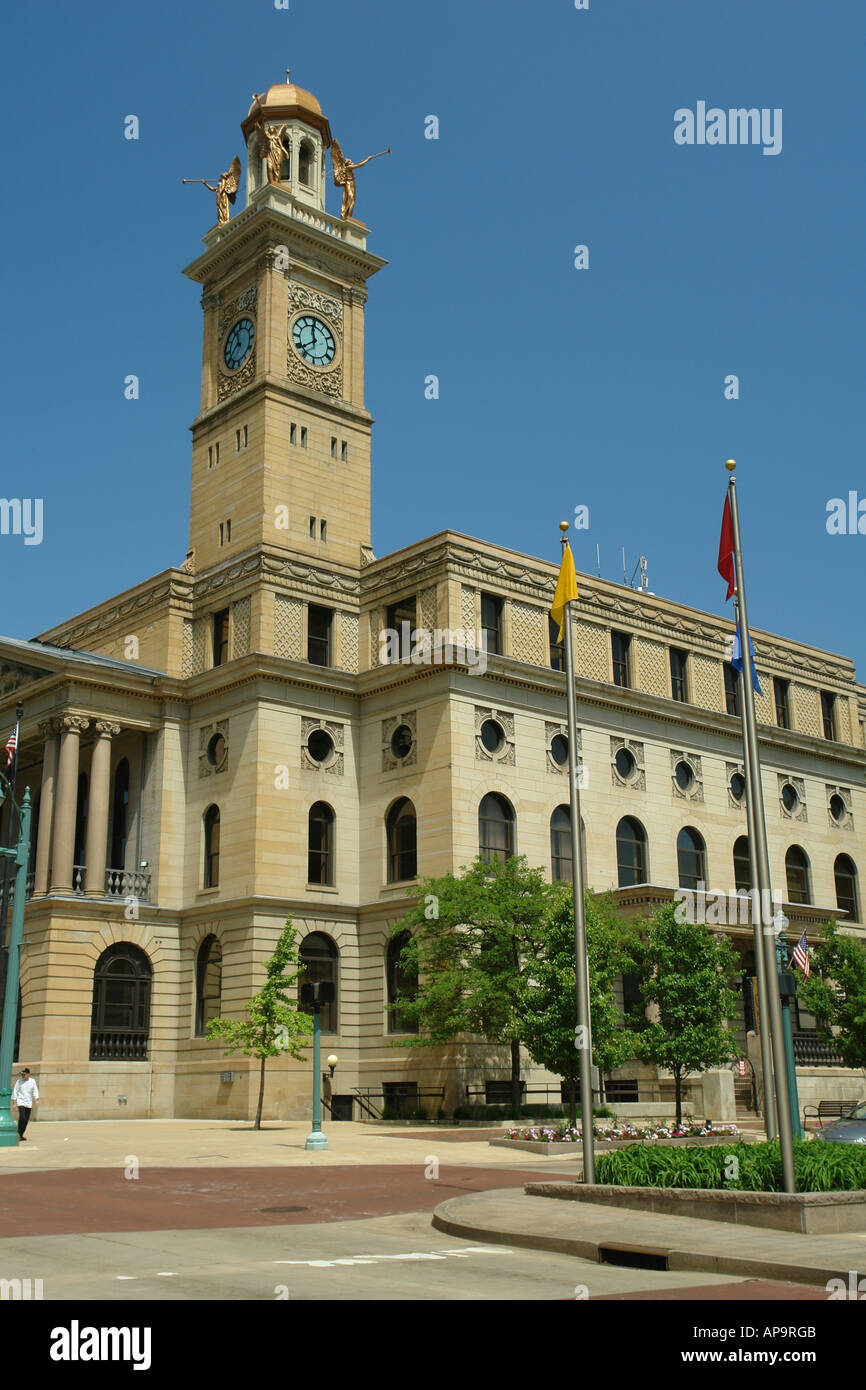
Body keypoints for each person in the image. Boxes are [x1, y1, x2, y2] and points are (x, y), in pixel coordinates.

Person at [11, 1068, 38, 1140]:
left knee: (26, 1120)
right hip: (20, 1101)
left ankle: (21, 1134)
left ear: (28, 1074)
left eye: (24, 1074)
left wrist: (36, 1099)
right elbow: (15, 1092)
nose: (23, 1076)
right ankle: (18, 1133)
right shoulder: (19, 1081)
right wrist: (14, 1103)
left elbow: (35, 1090)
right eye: (22, 1074)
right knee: (22, 1117)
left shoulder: (32, 1081)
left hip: (29, 1102)